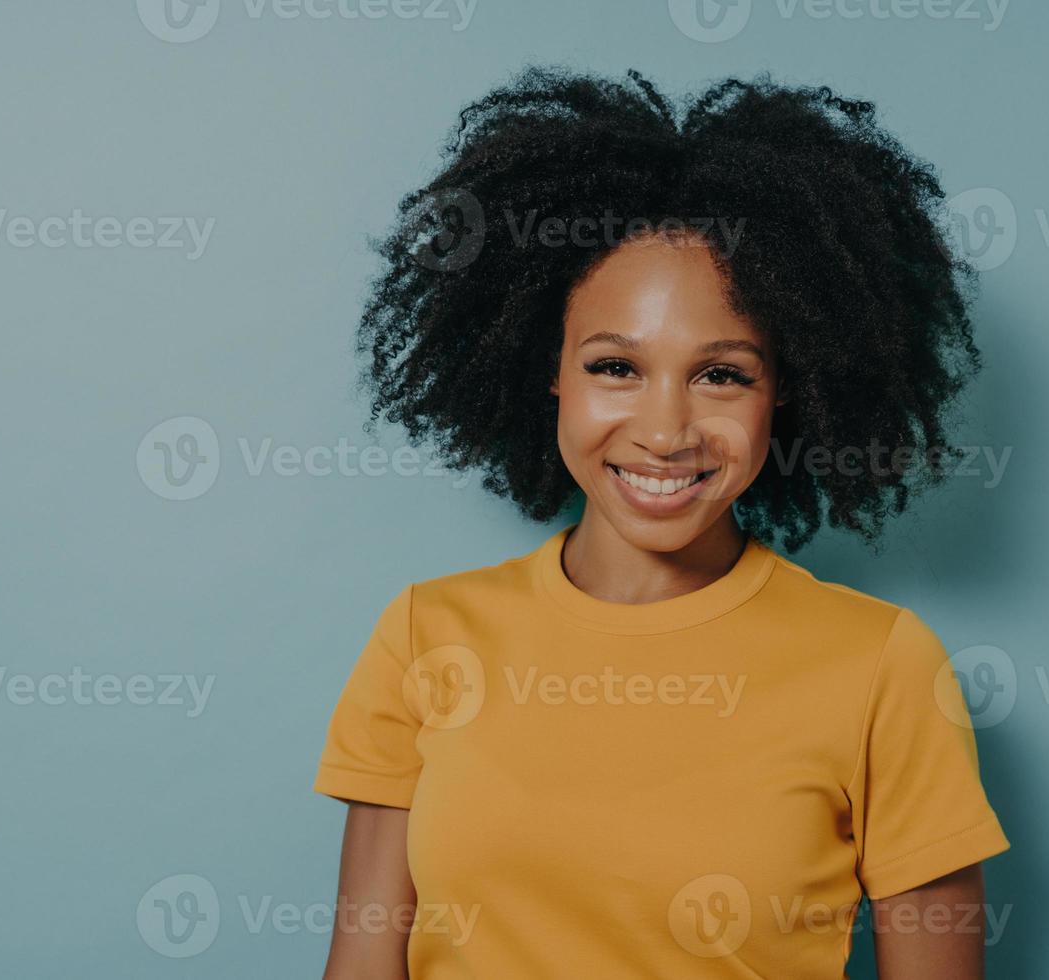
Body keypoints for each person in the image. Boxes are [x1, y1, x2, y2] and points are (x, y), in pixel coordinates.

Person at [313, 66, 1009, 979]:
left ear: (784, 394)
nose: (666, 431)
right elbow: (363, 966)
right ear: (548, 369)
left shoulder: (882, 667)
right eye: (615, 367)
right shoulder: (424, 636)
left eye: (722, 374)